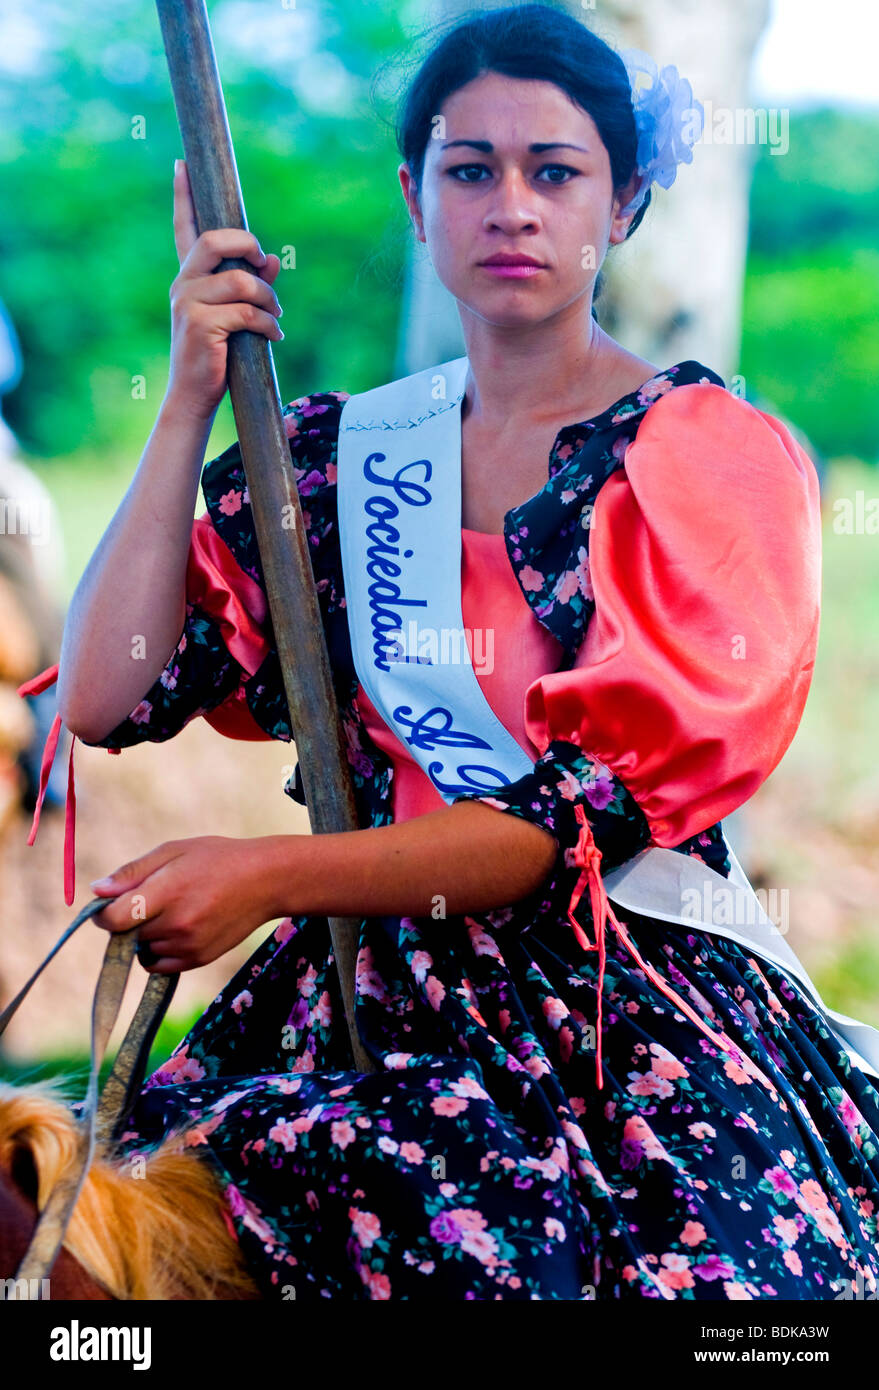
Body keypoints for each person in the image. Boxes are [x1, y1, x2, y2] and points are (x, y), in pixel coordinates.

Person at [23, 5, 879, 1300]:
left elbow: (568, 823)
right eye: (470, 169)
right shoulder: (338, 460)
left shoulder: (702, 461)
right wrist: (190, 383)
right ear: (417, 201)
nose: (513, 205)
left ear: (625, 201)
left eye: (556, 170)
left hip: (615, 1004)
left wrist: (271, 871)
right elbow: (103, 689)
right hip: (359, 979)